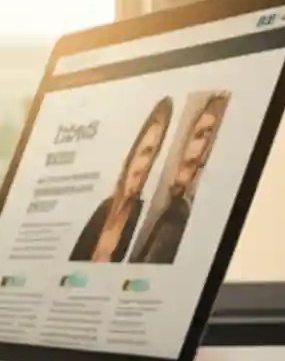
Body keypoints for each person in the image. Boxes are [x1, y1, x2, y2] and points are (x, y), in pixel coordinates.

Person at [68, 97, 173, 262]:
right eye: (146, 151)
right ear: (132, 154)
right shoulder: (104, 209)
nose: (147, 164)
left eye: (154, 155)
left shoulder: (142, 220)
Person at [131, 92, 231, 264]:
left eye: (207, 137)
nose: (194, 150)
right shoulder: (170, 210)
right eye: (197, 135)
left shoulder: (185, 216)